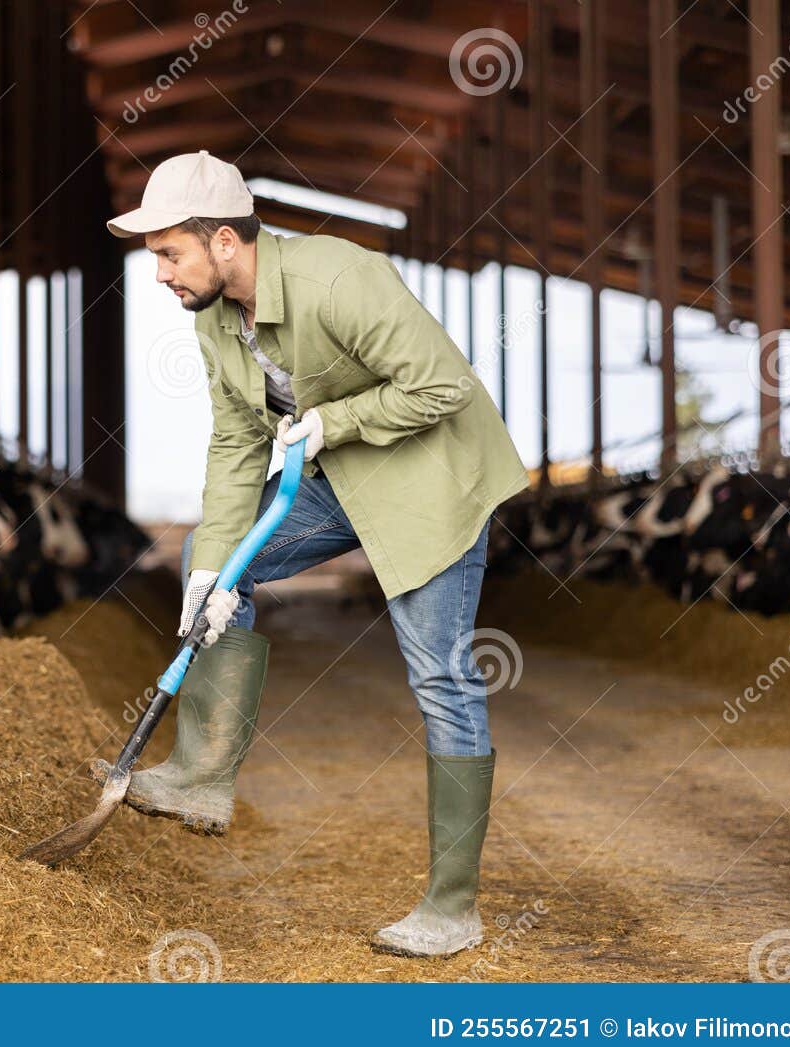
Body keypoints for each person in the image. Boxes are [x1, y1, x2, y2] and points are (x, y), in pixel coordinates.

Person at [102, 150, 529, 957]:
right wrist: (211, 570)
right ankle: (200, 776)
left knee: (440, 676)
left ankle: (452, 907)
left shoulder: (338, 278)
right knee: (212, 559)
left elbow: (444, 386)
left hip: (429, 475)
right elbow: (236, 440)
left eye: (169, 253)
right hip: (337, 479)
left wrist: (338, 421)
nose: (158, 273)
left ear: (223, 240)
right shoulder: (212, 319)